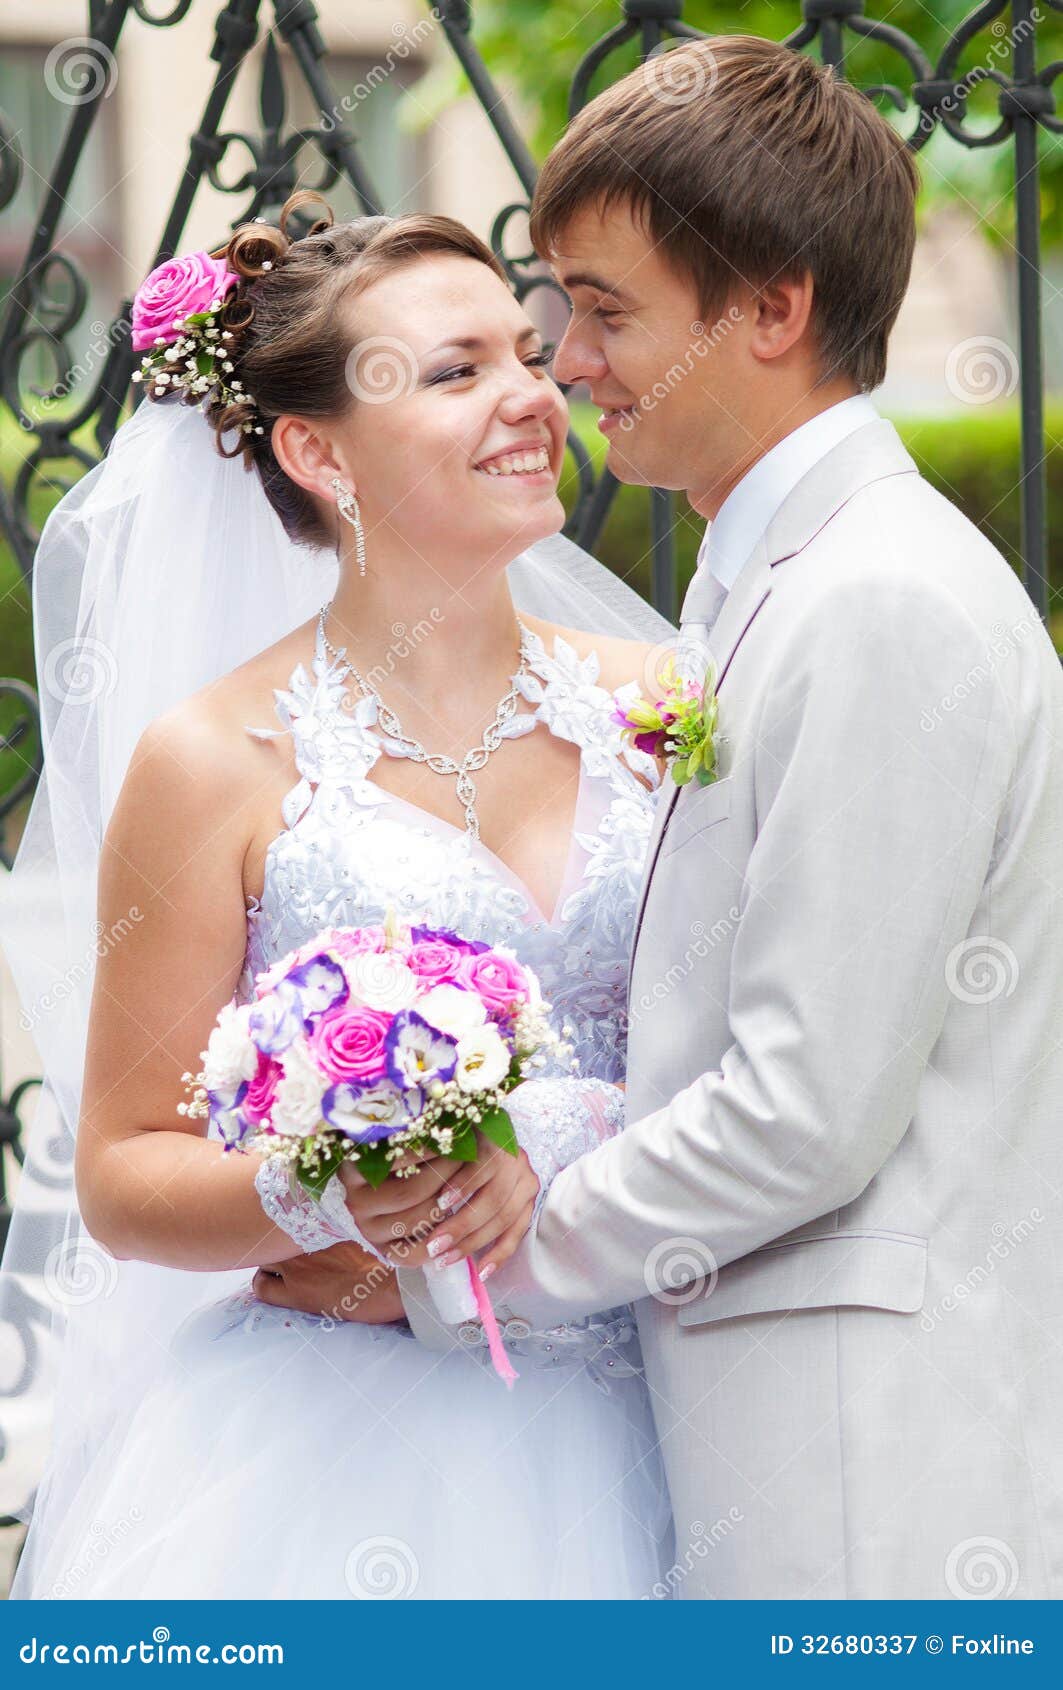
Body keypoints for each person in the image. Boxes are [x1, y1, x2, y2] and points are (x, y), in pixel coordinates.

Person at [289, 38, 1063, 1599]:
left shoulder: (879, 605)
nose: (563, 363)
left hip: (866, 1493)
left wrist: (454, 1275)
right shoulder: (780, 584)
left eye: (607, 309)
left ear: (773, 309)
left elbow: (801, 1110)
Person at [0, 193, 673, 1599]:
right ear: (316, 450)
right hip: (348, 1457)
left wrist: (563, 1135)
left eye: (528, 351)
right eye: (456, 371)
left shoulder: (661, 707)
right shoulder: (211, 761)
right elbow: (127, 1169)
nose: (531, 397)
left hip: (681, 1399)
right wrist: (346, 1193)